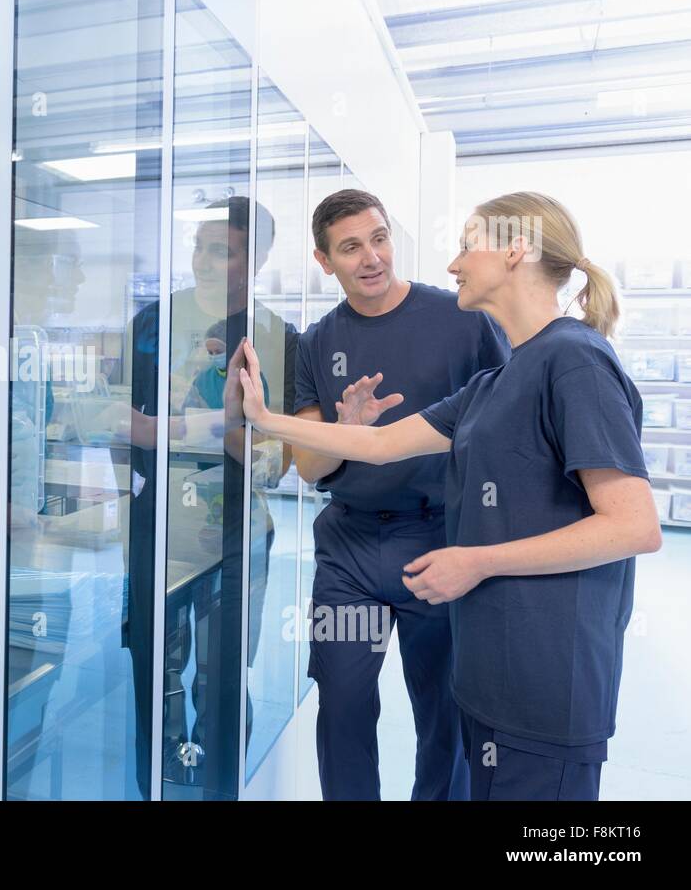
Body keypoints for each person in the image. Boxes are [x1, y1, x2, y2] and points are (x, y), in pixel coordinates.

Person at [235, 192, 661, 801]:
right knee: (369, 709)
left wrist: (477, 559)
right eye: (351, 246)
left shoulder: (572, 361)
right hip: (477, 629)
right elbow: (382, 446)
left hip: (540, 658)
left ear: (515, 251)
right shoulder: (500, 379)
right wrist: (268, 420)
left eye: (466, 245)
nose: (453, 263)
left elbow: (634, 526)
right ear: (325, 260)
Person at [288, 188, 510, 801]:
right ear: (323, 260)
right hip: (349, 549)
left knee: (442, 707)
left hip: (438, 538)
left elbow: (510, 415)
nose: (371, 257)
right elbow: (309, 466)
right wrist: (346, 430)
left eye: (379, 238)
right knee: (342, 704)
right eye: (351, 247)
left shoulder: (464, 319)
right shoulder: (314, 343)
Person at [127, 196, 297, 798]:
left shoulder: (277, 336)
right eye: (199, 246)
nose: (202, 260)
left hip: (235, 531)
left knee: (223, 677)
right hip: (160, 527)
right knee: (155, 670)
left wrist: (223, 433)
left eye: (221, 250)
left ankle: (219, 786)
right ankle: (161, 782)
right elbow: (123, 423)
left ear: (257, 259)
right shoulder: (152, 323)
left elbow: (274, 460)